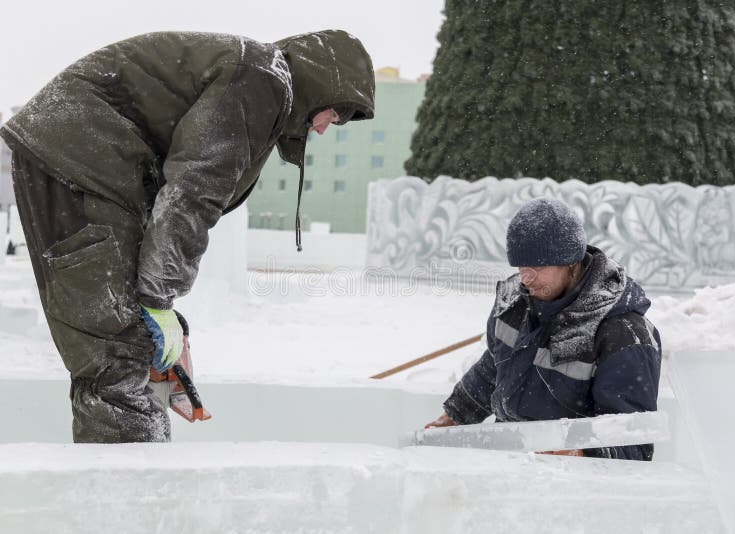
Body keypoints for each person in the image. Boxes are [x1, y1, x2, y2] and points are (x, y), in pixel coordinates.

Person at [0, 30, 375, 443]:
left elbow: (174, 196)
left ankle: (136, 481)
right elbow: (192, 192)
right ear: (323, 86)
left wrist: (163, 318)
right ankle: (132, 496)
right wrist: (157, 301)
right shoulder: (261, 80)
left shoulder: (258, 81)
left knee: (132, 344)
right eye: (335, 116)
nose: (325, 129)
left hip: (92, 164)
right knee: (116, 360)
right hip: (80, 161)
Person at [425, 198, 662, 460]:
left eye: (537, 267)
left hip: (571, 486)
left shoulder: (623, 334)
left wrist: (579, 454)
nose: (526, 279)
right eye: (521, 267)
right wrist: (457, 414)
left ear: (571, 262)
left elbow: (633, 441)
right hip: (509, 464)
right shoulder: (514, 304)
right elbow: (494, 367)